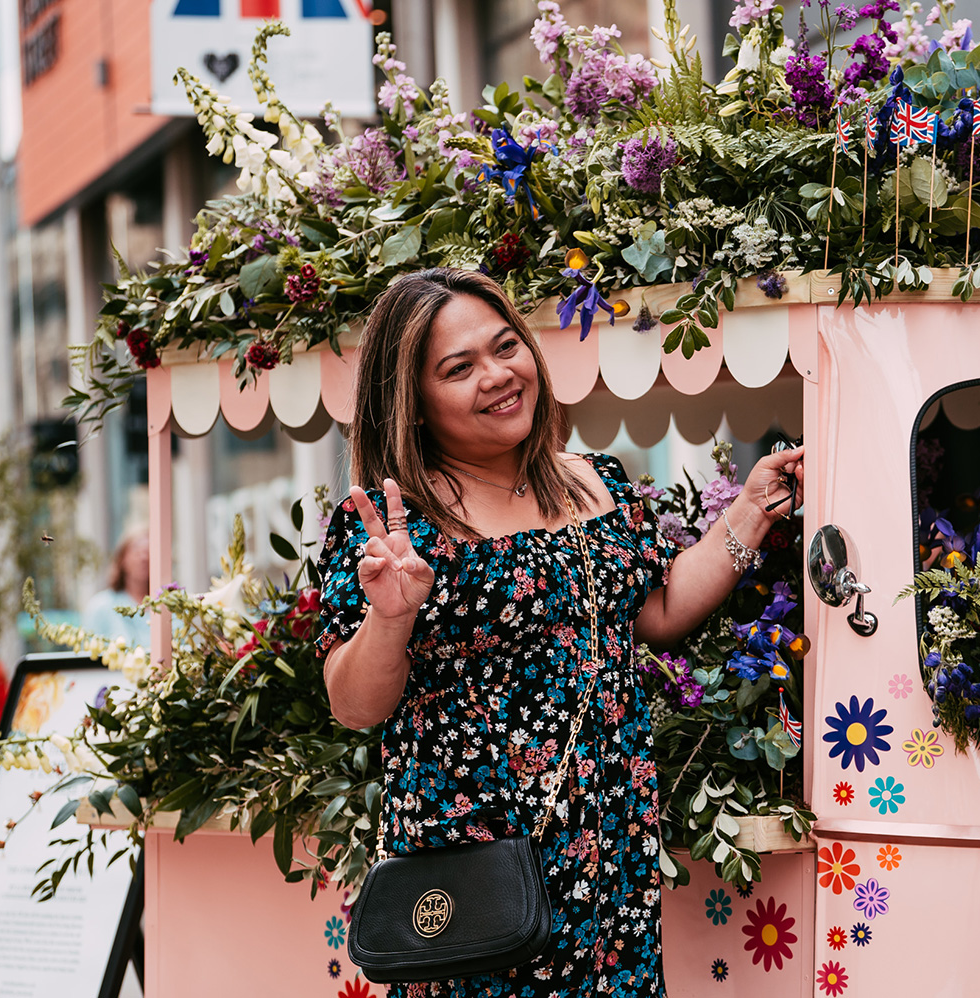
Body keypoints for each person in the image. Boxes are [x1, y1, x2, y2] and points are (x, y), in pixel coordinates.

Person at [317, 268, 803, 998]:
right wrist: (392, 616)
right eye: (459, 367)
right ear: (412, 403)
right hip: (475, 869)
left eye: (505, 346)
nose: (497, 375)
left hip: (610, 857)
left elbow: (656, 611)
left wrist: (753, 511)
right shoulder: (397, 528)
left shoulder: (592, 479)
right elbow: (354, 706)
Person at [81, 530, 152, 649]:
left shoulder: (172, 608)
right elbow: (88, 658)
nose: (144, 558)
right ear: (122, 559)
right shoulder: (101, 607)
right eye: (137, 551)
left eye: (149, 552)